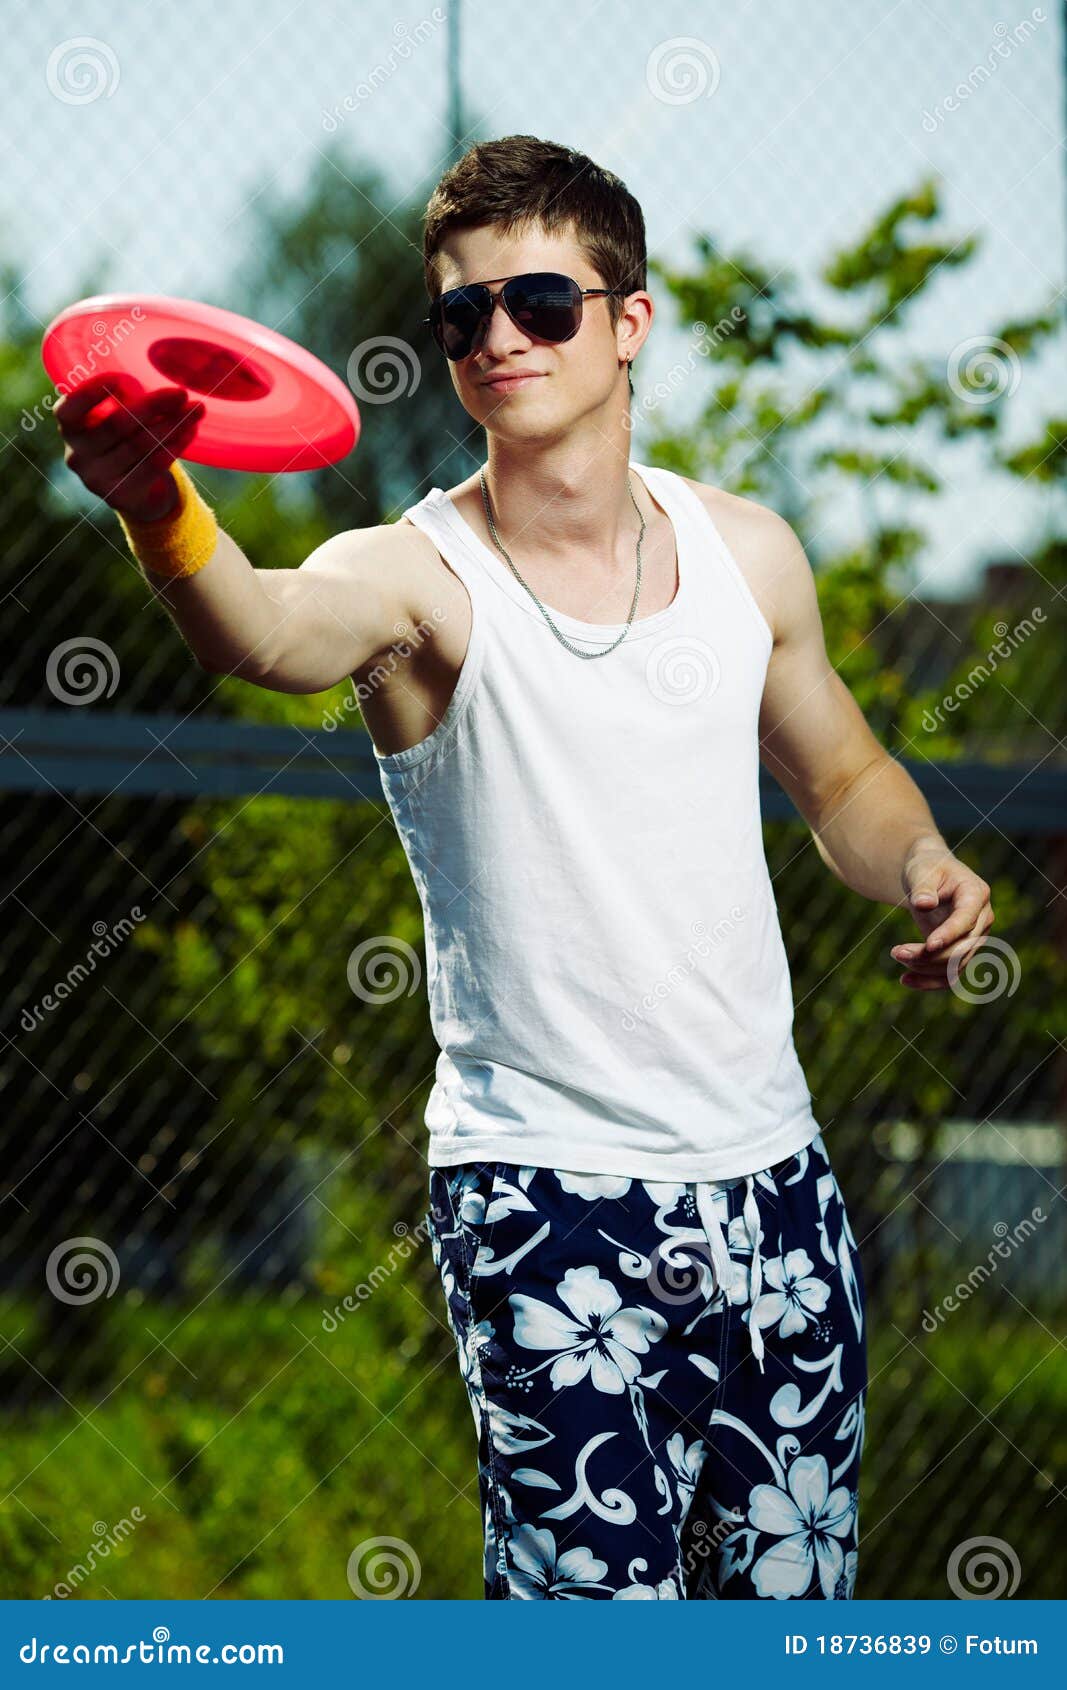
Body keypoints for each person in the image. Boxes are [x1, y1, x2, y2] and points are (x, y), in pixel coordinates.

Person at [55, 133, 994, 1600]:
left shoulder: (750, 557)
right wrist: (156, 502)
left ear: (629, 323)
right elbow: (264, 628)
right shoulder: (416, 576)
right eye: (463, 313)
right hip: (547, 1198)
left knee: (784, 1627)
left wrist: (925, 856)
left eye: (542, 302)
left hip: (776, 1194)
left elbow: (847, 776)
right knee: (592, 1642)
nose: (499, 335)